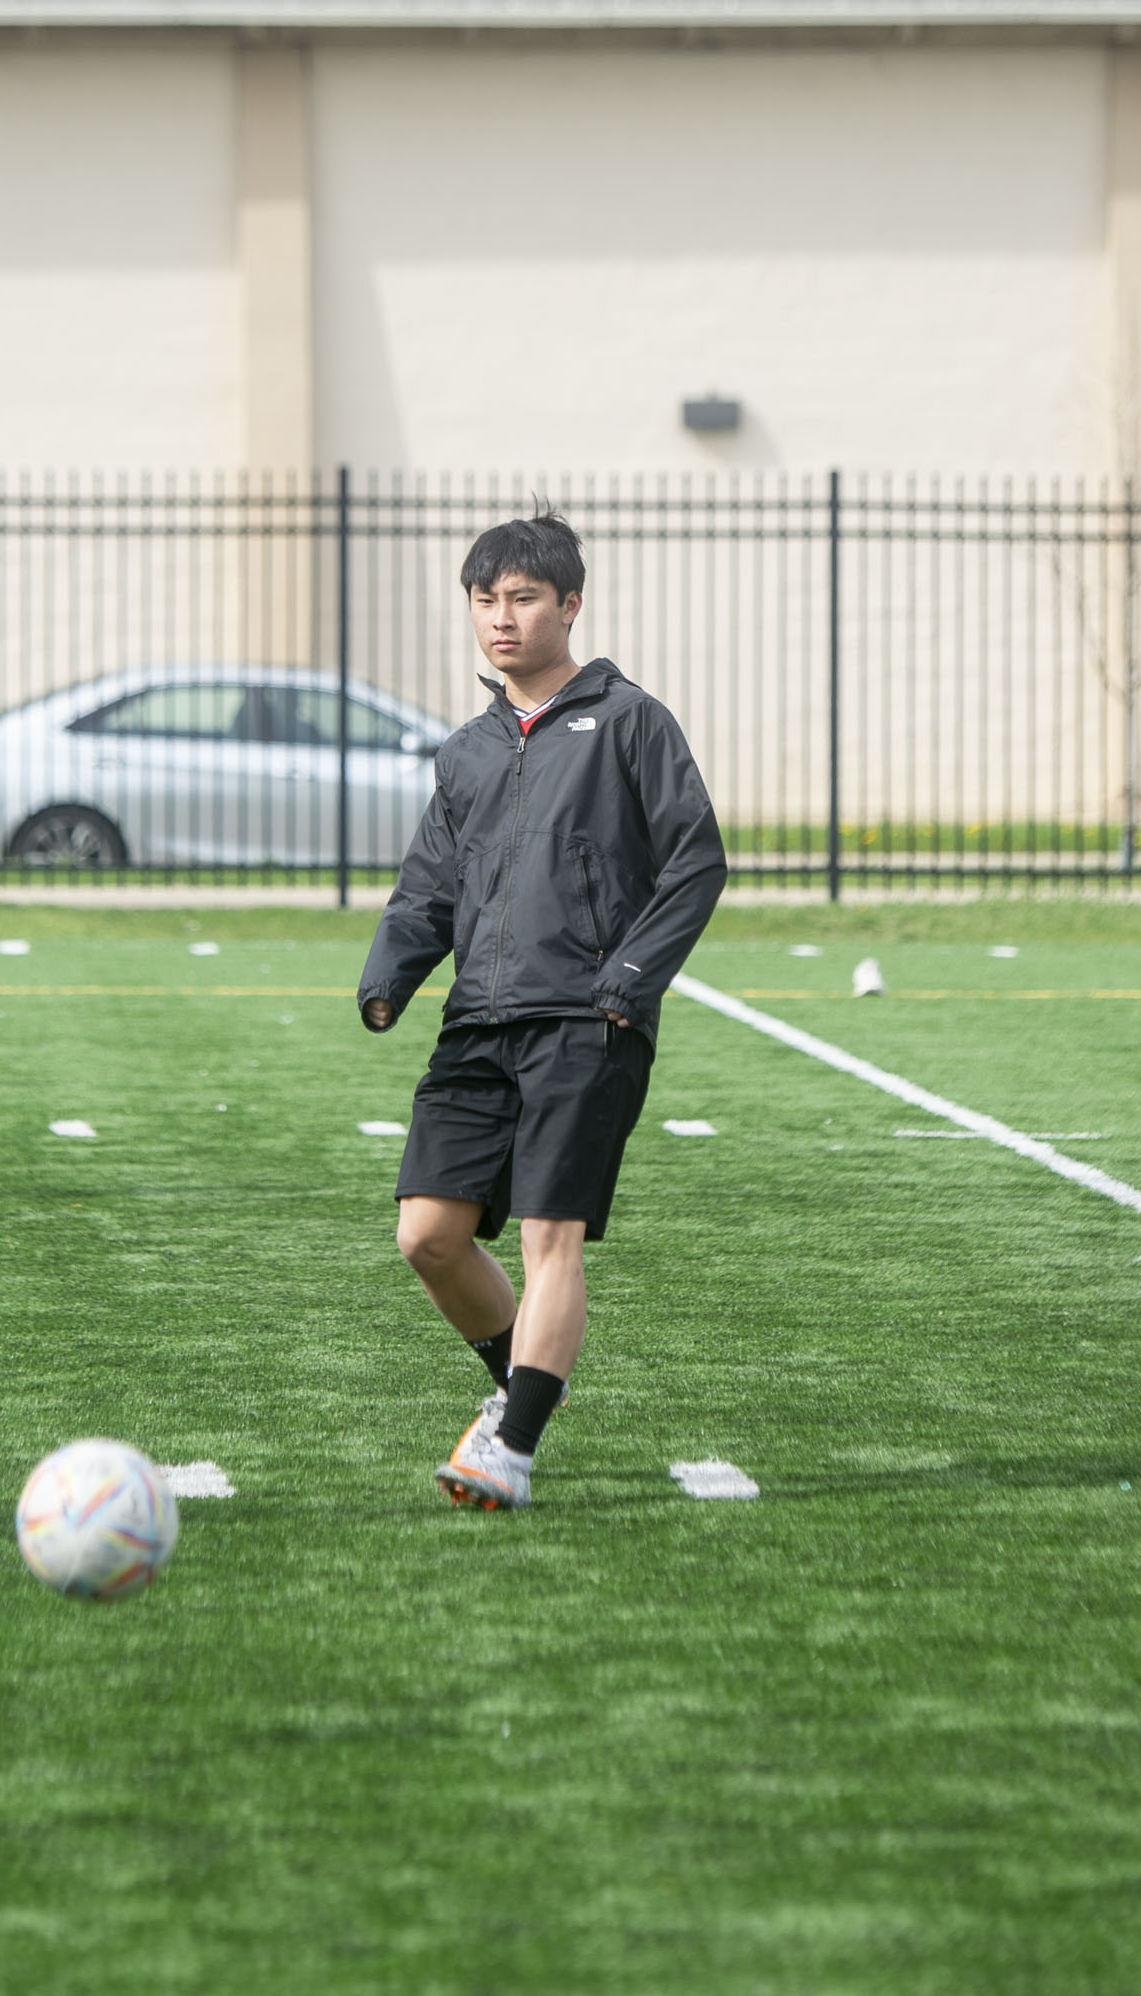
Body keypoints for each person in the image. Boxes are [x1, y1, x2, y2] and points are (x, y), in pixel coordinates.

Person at [357, 512, 727, 1511]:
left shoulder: (630, 720)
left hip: (588, 1018)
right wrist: (391, 973)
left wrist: (629, 978)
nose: (501, 618)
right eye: (485, 600)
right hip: (479, 1018)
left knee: (547, 1237)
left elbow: (696, 864)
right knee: (428, 1234)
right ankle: (518, 1391)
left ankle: (509, 1451)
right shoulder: (470, 749)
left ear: (570, 604)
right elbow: (428, 888)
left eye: (523, 598)